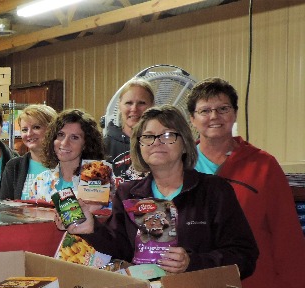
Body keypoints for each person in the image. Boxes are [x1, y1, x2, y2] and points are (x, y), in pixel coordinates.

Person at [62, 105, 258, 277]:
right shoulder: (128, 193)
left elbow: (244, 256)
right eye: (147, 137)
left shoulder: (214, 191)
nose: (156, 142)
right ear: (139, 147)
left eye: (167, 135)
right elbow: (120, 250)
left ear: (185, 144)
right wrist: (92, 229)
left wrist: (193, 263)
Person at [187, 77, 305, 288]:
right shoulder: (180, 167)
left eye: (223, 108)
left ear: (234, 114)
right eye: (205, 111)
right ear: (192, 118)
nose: (214, 116)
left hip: (253, 286)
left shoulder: (263, 165)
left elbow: (286, 235)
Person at [27, 109, 106, 203]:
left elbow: (104, 215)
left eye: (74, 137)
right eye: (61, 135)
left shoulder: (98, 177)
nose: (64, 143)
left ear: (86, 144)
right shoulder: (41, 182)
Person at [0, 104, 58, 200]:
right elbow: (4, 208)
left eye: (36, 127)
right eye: (24, 129)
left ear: (51, 130)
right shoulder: (13, 167)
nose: (29, 134)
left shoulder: (65, 165)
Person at [103, 78, 155, 185]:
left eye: (141, 103)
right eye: (128, 103)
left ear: (152, 106)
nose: (134, 109)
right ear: (120, 106)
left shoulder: (161, 144)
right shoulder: (103, 146)